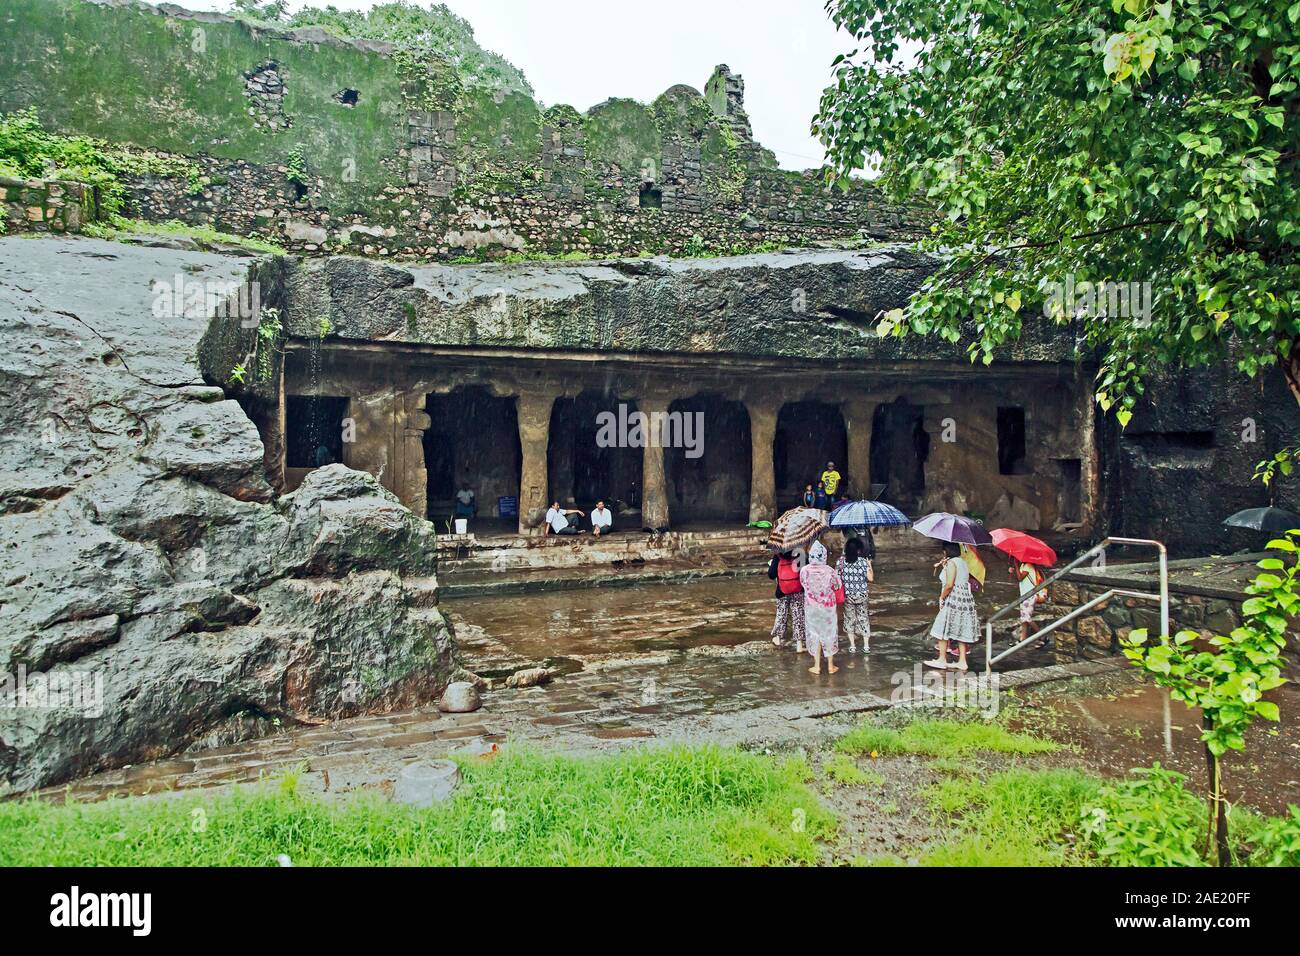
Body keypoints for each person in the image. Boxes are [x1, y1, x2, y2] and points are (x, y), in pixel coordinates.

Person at [926, 541, 979, 671]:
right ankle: (962, 662)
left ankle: (942, 659)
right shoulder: (963, 562)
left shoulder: (951, 563)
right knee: (961, 630)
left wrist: (941, 597)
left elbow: (949, 585)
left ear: (946, 551)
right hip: (965, 600)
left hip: (953, 599)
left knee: (941, 627)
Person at [799, 541, 843, 675]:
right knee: (828, 634)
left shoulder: (804, 570)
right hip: (827, 610)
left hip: (811, 608)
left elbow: (803, 584)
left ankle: (817, 666)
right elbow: (837, 585)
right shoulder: (830, 571)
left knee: (815, 634)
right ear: (824, 555)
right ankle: (830, 666)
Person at [836, 536, 874, 653]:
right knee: (864, 619)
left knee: (849, 619)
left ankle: (852, 646)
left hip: (848, 596)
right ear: (859, 550)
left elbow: (836, 579)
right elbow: (870, 578)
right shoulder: (863, 562)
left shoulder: (840, 562)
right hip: (862, 595)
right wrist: (869, 565)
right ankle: (866, 646)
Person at [769, 548, 807, 652]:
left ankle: (778, 638)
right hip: (798, 590)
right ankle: (799, 644)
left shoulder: (778, 555)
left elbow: (771, 574)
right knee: (798, 615)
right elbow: (805, 572)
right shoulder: (800, 553)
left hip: (782, 589)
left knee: (781, 613)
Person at [1014, 558, 1045, 646]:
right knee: (1023, 618)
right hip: (1024, 596)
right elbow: (1018, 578)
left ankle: (1042, 637)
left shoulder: (1028, 566)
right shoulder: (1023, 566)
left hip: (1030, 595)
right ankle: (1022, 640)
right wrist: (1013, 571)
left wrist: (1016, 565)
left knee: (1027, 618)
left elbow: (1020, 578)